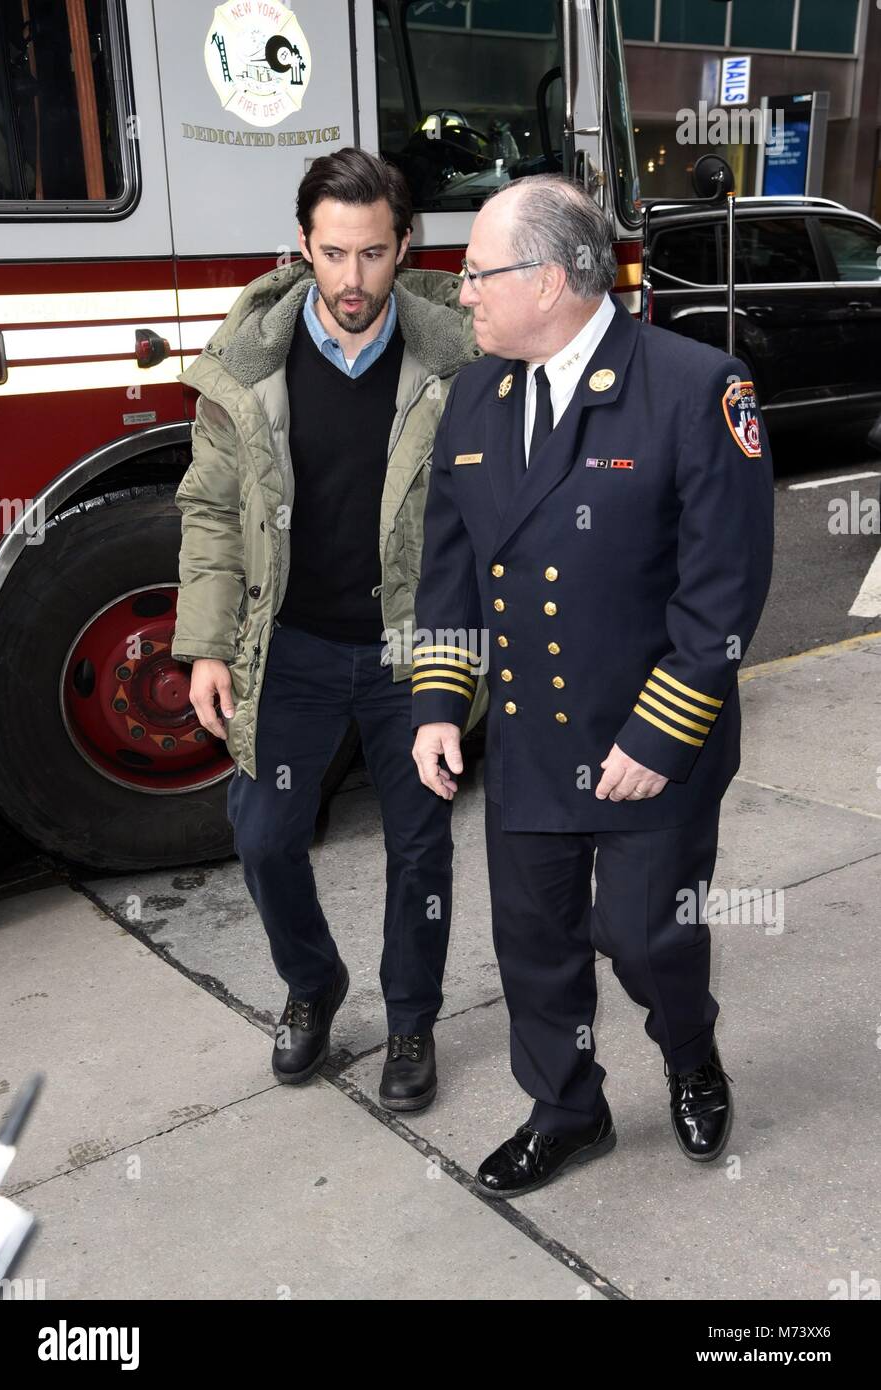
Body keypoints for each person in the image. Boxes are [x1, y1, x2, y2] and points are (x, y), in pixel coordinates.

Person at [411, 175, 774, 1198]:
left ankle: (689, 1052)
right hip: (529, 739)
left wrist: (657, 738)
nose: (462, 294)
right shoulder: (472, 398)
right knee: (532, 946)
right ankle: (566, 1110)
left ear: (552, 276)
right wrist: (437, 703)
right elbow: (449, 572)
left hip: (646, 739)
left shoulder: (694, 386)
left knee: (646, 937)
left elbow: (723, 592)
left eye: (477, 273)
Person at [172, 148, 483, 1110]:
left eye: (375, 255)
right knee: (264, 834)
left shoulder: (459, 361)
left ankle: (409, 1021)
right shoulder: (246, 366)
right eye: (334, 254)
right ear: (303, 245)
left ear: (404, 247)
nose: (354, 281)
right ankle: (312, 987)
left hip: (413, 648)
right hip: (293, 647)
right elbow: (213, 515)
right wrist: (207, 646)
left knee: (420, 846)